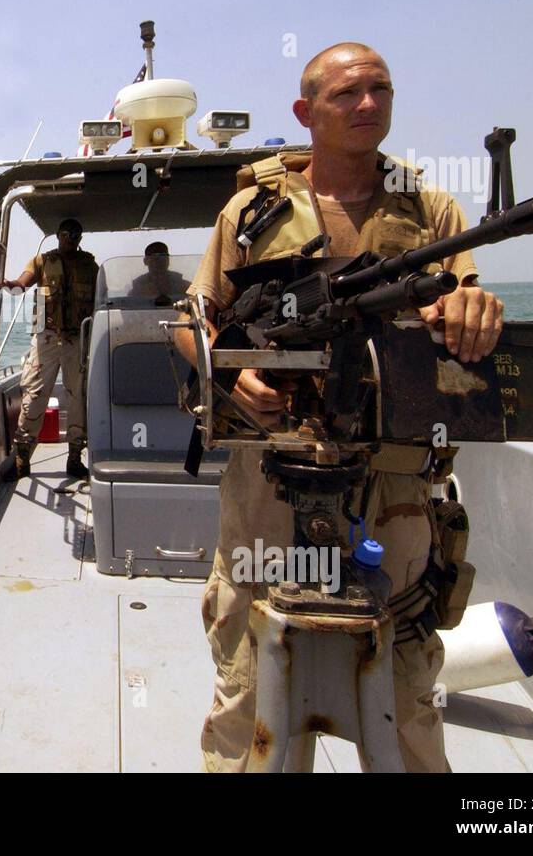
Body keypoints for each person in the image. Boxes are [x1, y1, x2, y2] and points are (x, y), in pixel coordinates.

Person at [173, 42, 504, 772]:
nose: (368, 105)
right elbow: (193, 325)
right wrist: (233, 377)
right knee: (251, 698)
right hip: (270, 483)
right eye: (348, 93)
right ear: (306, 112)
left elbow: (466, 303)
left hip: (395, 487)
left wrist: (474, 307)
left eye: (380, 90)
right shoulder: (251, 211)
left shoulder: (431, 208)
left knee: (407, 694)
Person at [0, 218, 98, 480]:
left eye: (76, 234)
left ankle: (75, 457)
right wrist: (9, 285)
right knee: (34, 395)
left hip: (77, 341)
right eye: (66, 233)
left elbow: (102, 297)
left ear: (80, 238)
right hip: (47, 339)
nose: (71, 238)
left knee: (78, 399)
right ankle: (22, 458)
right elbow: (23, 284)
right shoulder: (41, 261)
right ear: (58, 235)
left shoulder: (90, 265)